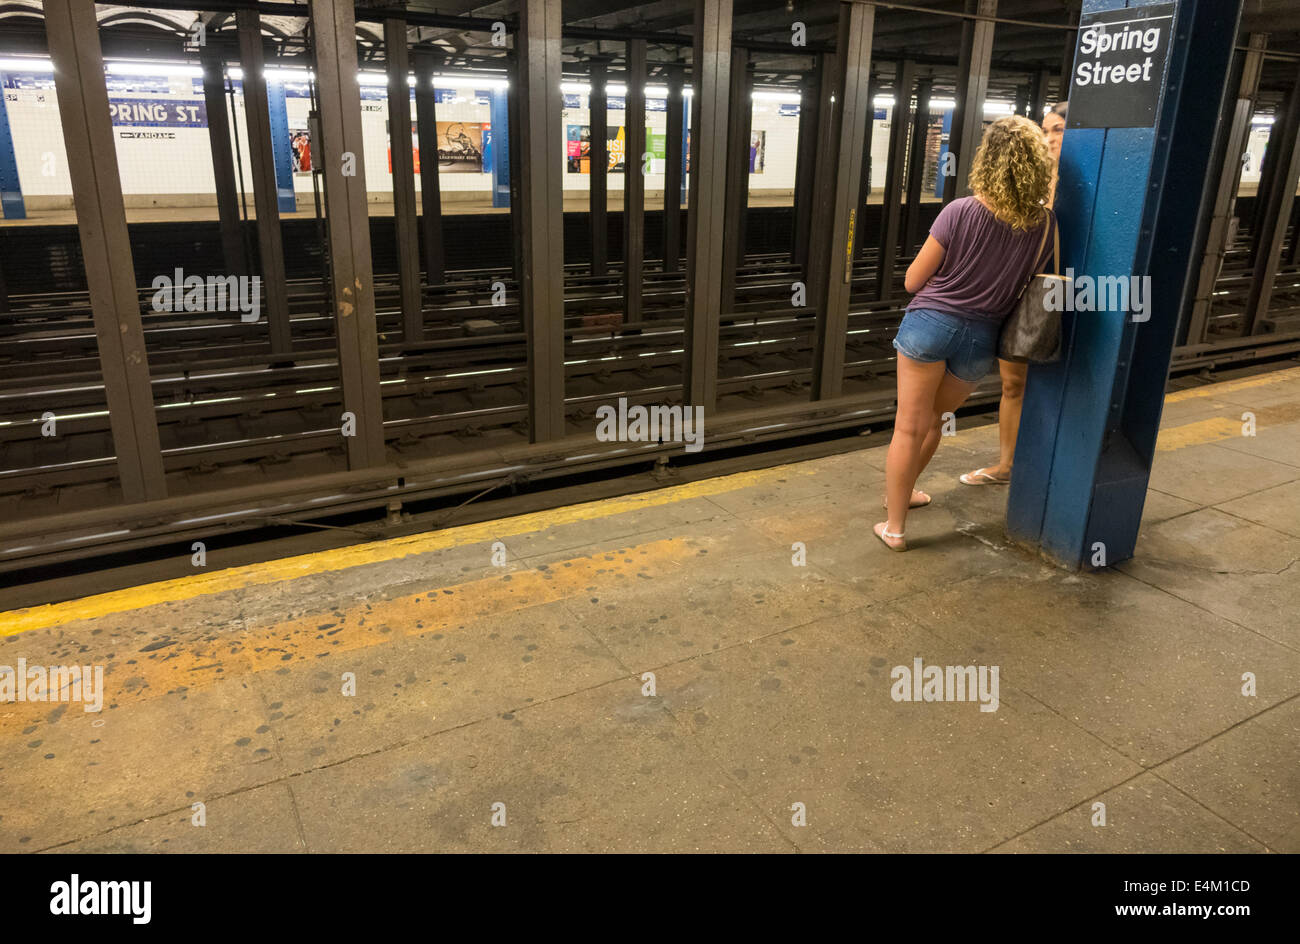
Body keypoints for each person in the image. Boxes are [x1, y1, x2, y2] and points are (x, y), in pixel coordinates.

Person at [874, 114, 1056, 551]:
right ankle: (909, 491)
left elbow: (913, 281)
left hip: (929, 325)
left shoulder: (961, 210)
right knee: (935, 421)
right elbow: (1031, 283)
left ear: (987, 159)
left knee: (907, 427)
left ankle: (895, 527)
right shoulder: (1046, 225)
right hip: (982, 339)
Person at [959, 101, 1067, 487]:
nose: (1049, 137)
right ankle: (1007, 465)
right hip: (1018, 289)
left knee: (1035, 381)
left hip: (1055, 292)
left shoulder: (1080, 180)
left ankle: (1030, 462)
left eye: (1058, 129)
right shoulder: (1031, 177)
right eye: (1045, 129)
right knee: (1012, 382)